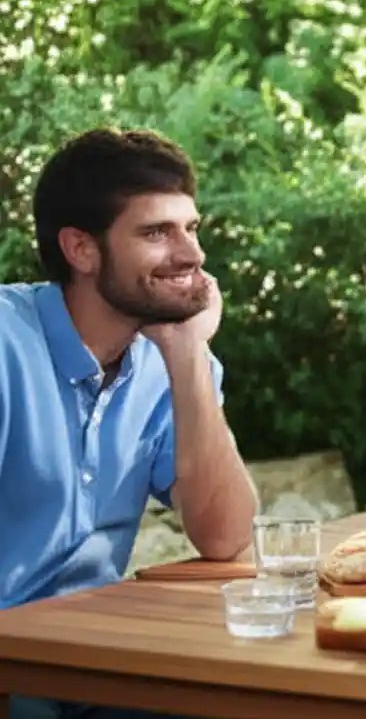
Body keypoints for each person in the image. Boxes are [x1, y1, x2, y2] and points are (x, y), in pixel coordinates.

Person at [1, 128, 258, 718]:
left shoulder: (172, 361)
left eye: (191, 228)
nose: (191, 255)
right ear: (81, 249)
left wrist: (188, 354)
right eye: (156, 232)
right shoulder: (7, 344)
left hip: (100, 664)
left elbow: (225, 537)